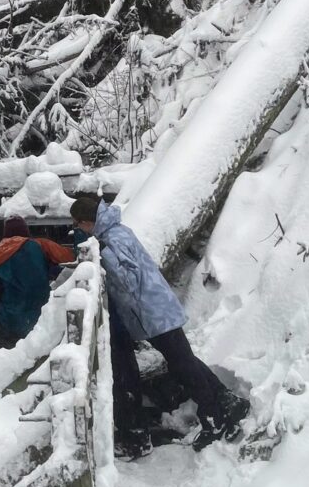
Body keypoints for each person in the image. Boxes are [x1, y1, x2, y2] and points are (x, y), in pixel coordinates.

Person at [69, 193, 248, 456]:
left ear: (87, 221)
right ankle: (226, 402)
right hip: (156, 309)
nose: (78, 229)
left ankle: (214, 418)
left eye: (78, 223)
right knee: (184, 361)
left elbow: (129, 281)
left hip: (153, 313)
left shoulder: (112, 241)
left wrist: (104, 262)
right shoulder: (116, 231)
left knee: (183, 365)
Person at [0, 216, 78, 348]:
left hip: (11, 321)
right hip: (41, 317)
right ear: (26, 231)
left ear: (5, 234)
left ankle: (8, 345)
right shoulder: (40, 244)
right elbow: (69, 256)